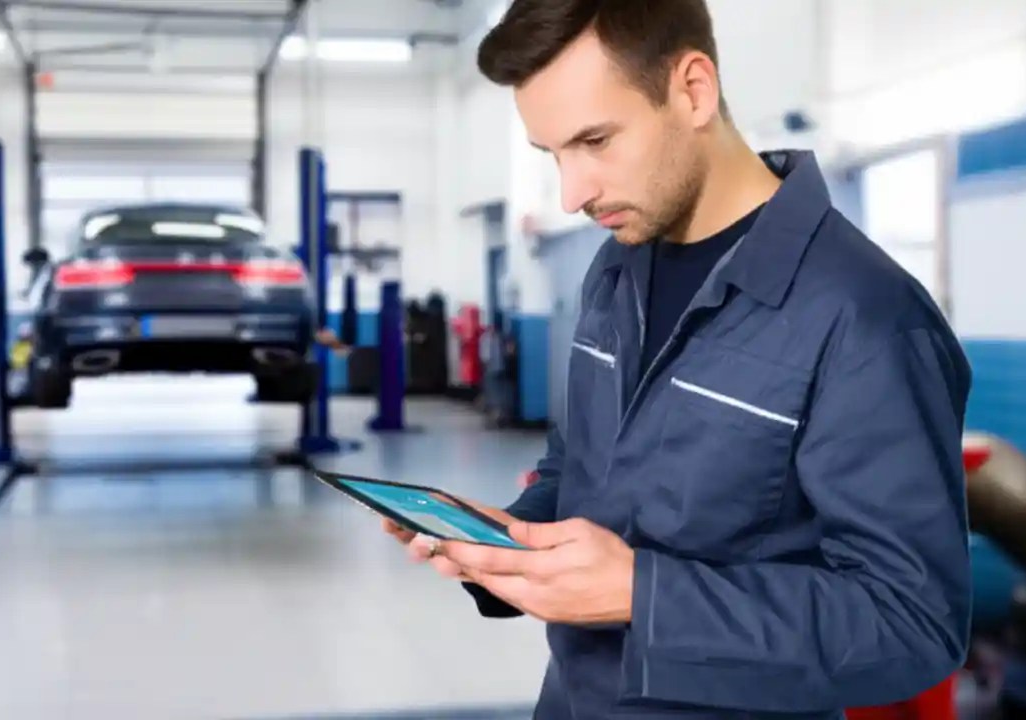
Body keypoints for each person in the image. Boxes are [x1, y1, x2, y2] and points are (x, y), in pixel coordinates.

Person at [384, 1, 973, 717]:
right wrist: (505, 540)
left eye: (595, 140)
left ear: (693, 89)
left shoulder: (866, 317)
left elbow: (910, 622)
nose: (573, 193)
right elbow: (578, 471)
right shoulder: (615, 269)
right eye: (553, 156)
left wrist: (640, 593)